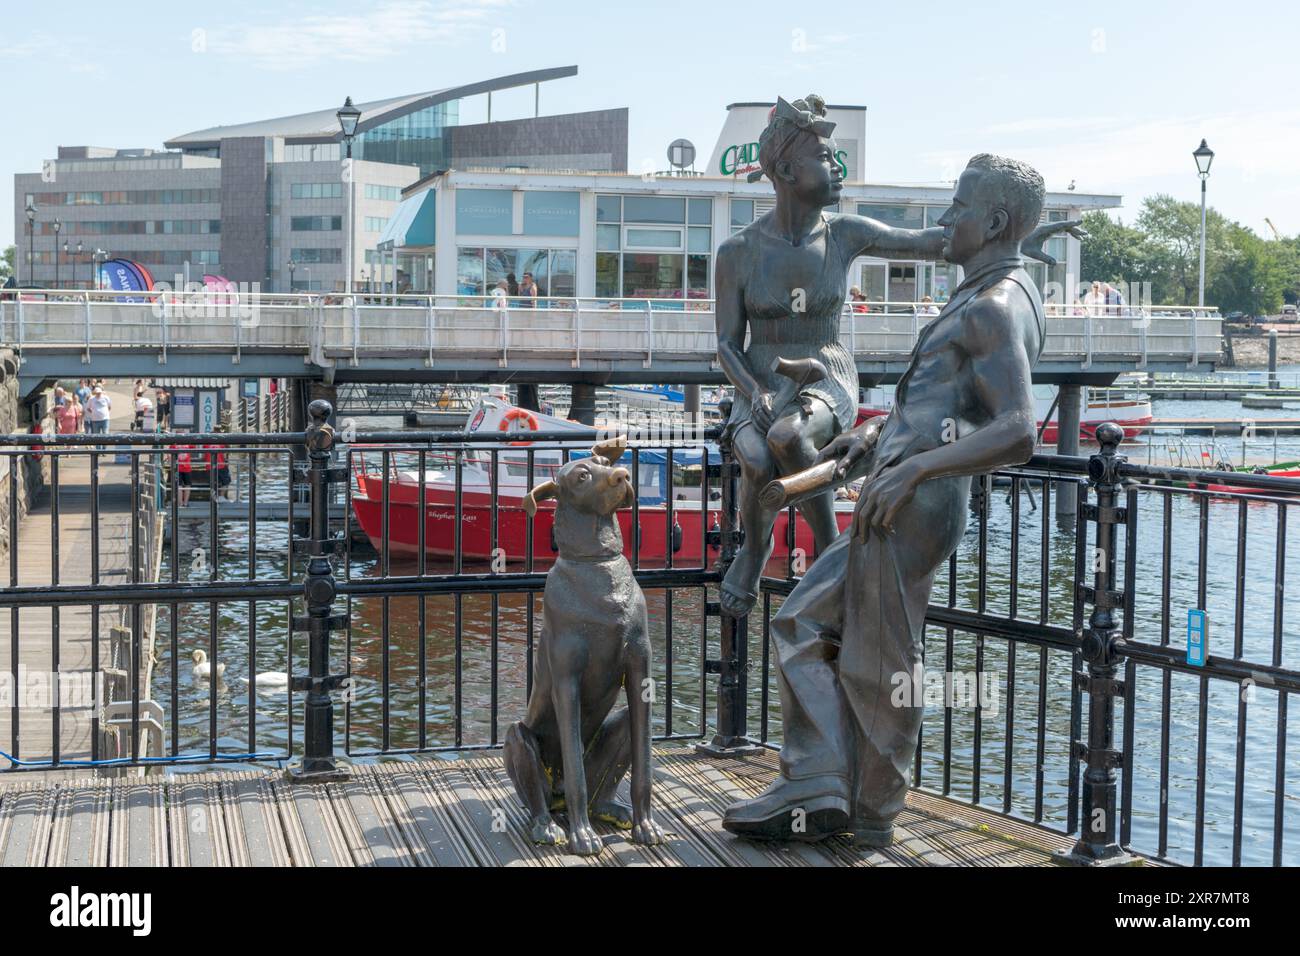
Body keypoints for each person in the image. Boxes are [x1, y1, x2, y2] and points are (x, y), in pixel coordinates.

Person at [722, 151, 1051, 848]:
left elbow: (1017, 430)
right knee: (806, 623)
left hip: (912, 502)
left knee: (880, 661)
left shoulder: (994, 304)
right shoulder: (996, 290)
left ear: (993, 221)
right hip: (900, 486)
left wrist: (915, 468)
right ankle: (819, 782)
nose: (945, 220)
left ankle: (868, 816)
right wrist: (876, 436)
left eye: (959, 208)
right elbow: (949, 403)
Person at [712, 94, 1079, 619]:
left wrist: (1014, 239)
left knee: (788, 438)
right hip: (761, 376)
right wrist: (756, 390)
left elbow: (933, 241)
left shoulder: (845, 233)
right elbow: (726, 344)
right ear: (788, 169)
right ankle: (756, 548)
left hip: (822, 369)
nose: (837, 168)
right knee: (752, 454)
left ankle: (827, 547)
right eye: (824, 158)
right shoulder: (738, 252)